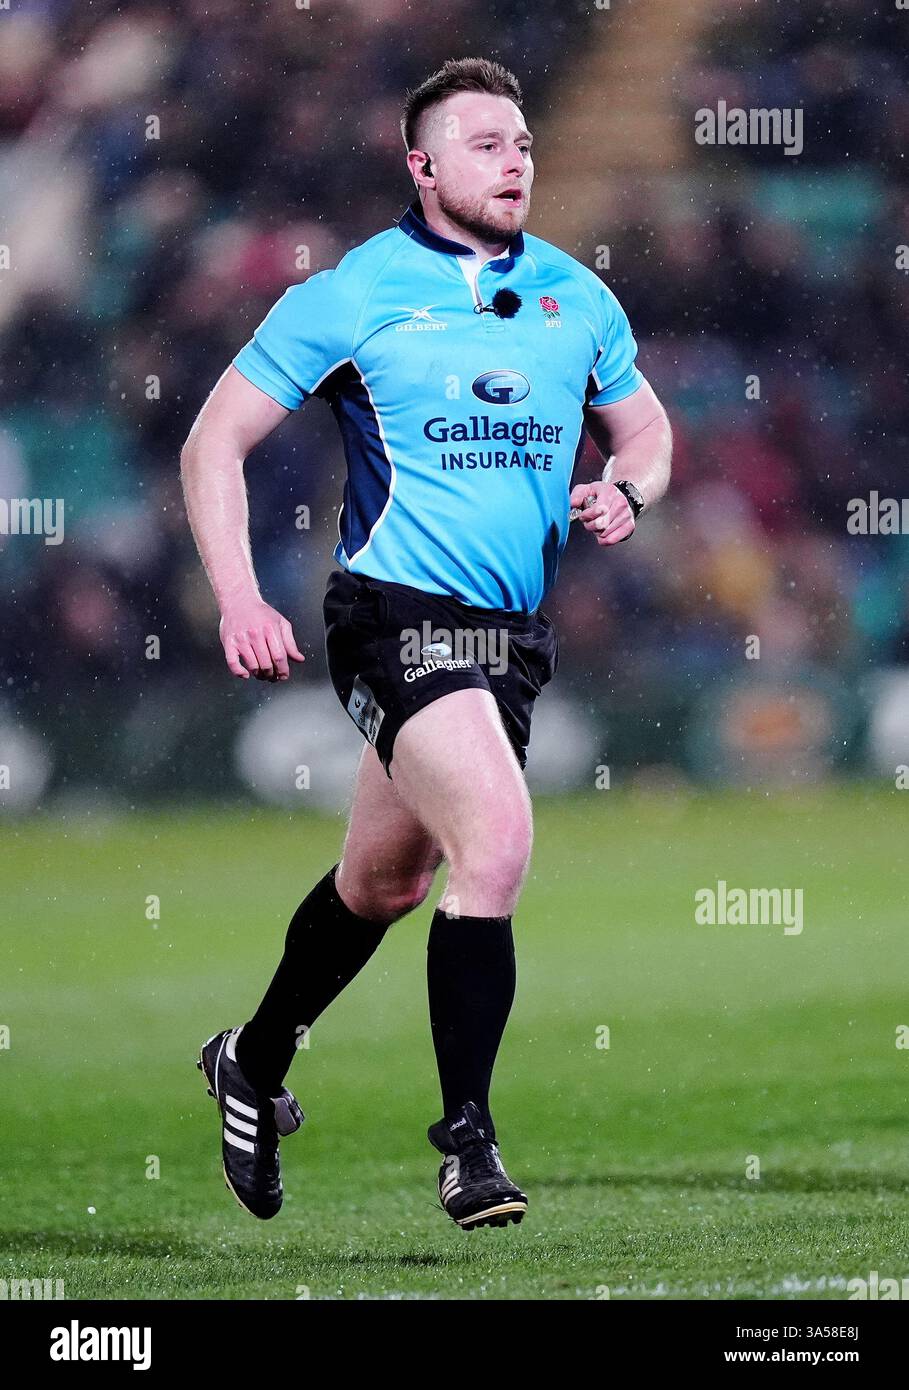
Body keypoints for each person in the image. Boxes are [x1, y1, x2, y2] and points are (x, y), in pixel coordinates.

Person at [181, 56, 672, 1230]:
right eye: (488, 144)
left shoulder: (576, 297)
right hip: (390, 620)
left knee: (385, 881)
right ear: (424, 164)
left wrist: (632, 489)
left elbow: (646, 429)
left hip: (509, 640)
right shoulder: (352, 293)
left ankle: (249, 1059)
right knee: (494, 842)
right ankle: (469, 1143)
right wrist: (240, 597)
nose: (516, 162)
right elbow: (213, 442)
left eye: (524, 144)